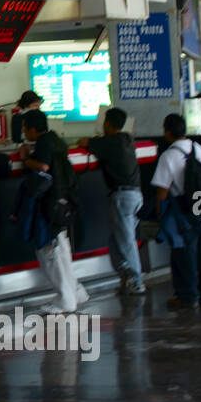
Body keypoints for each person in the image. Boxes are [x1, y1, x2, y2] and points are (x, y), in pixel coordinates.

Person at [20, 109, 88, 313]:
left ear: (33, 129)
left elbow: (43, 166)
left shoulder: (43, 143)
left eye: (25, 129)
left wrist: (25, 159)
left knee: (51, 254)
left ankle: (65, 299)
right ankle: (75, 291)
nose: (24, 133)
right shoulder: (57, 140)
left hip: (49, 203)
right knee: (62, 248)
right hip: (63, 200)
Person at [151, 113, 201, 309]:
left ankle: (188, 295)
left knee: (184, 250)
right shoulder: (199, 149)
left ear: (167, 132)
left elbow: (162, 191)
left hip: (184, 205)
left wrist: (159, 215)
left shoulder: (169, 155)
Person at [77, 107, 144, 295]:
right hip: (135, 195)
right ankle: (127, 277)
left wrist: (93, 140)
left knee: (126, 241)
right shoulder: (126, 139)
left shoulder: (109, 143)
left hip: (123, 196)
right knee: (116, 241)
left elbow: (84, 142)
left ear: (107, 123)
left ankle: (137, 281)